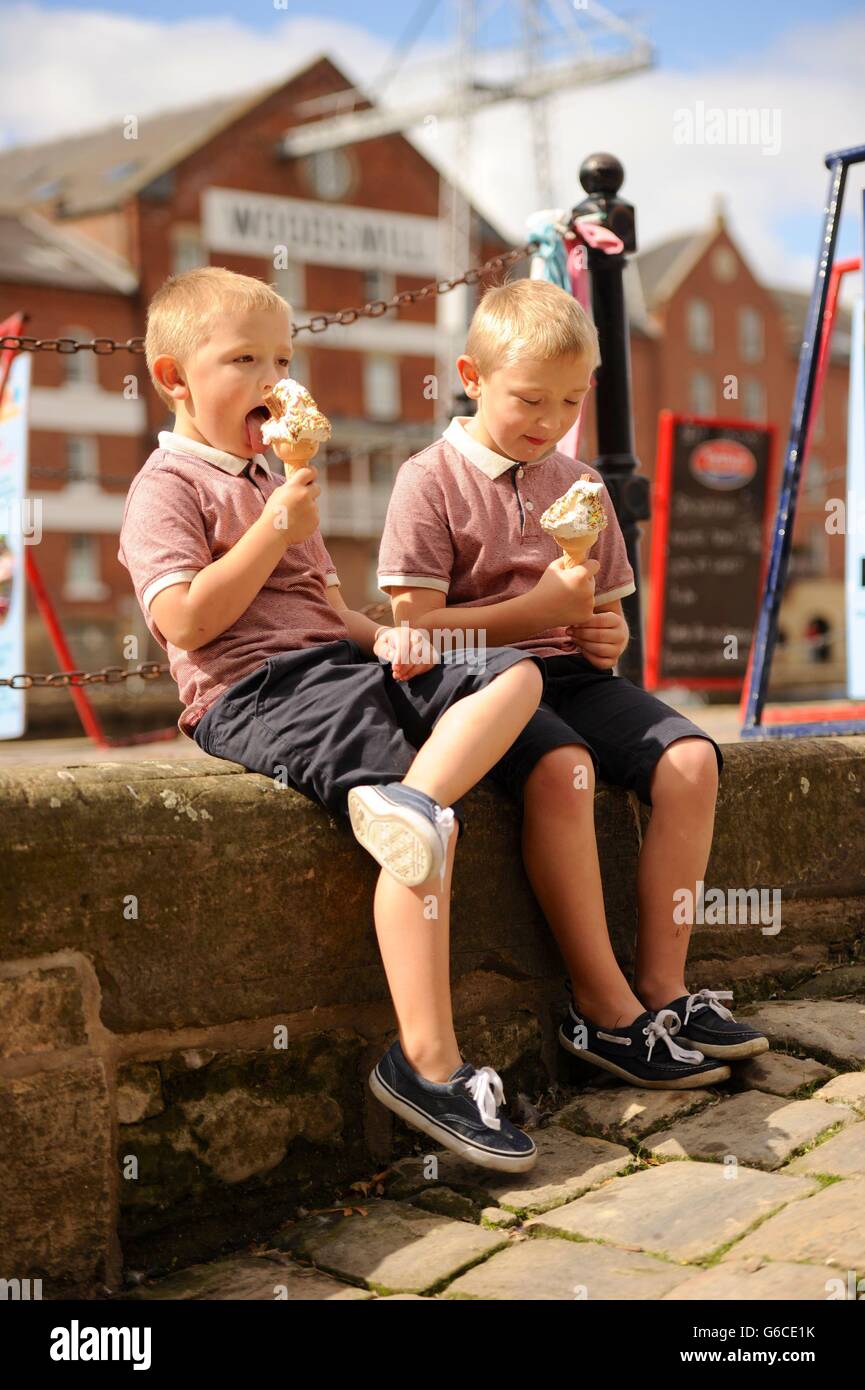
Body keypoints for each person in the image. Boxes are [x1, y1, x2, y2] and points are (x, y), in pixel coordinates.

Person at [117, 266, 548, 1172]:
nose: (275, 378)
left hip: (338, 664)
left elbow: (322, 608)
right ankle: (427, 1063)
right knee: (423, 827)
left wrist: (386, 637)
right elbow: (187, 621)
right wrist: (272, 526)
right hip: (257, 689)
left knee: (507, 678)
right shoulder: (167, 486)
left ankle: (413, 804)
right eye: (243, 358)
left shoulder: (278, 474)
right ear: (173, 378)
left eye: (283, 356)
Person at [378, 276, 769, 1090]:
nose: (548, 422)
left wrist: (605, 630)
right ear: (471, 375)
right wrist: (534, 612)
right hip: (477, 684)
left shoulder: (580, 483)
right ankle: (603, 1009)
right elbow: (414, 629)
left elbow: (607, 619)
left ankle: (664, 987)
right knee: (568, 772)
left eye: (568, 402)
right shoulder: (428, 480)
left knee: (692, 760)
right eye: (528, 399)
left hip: (570, 674)